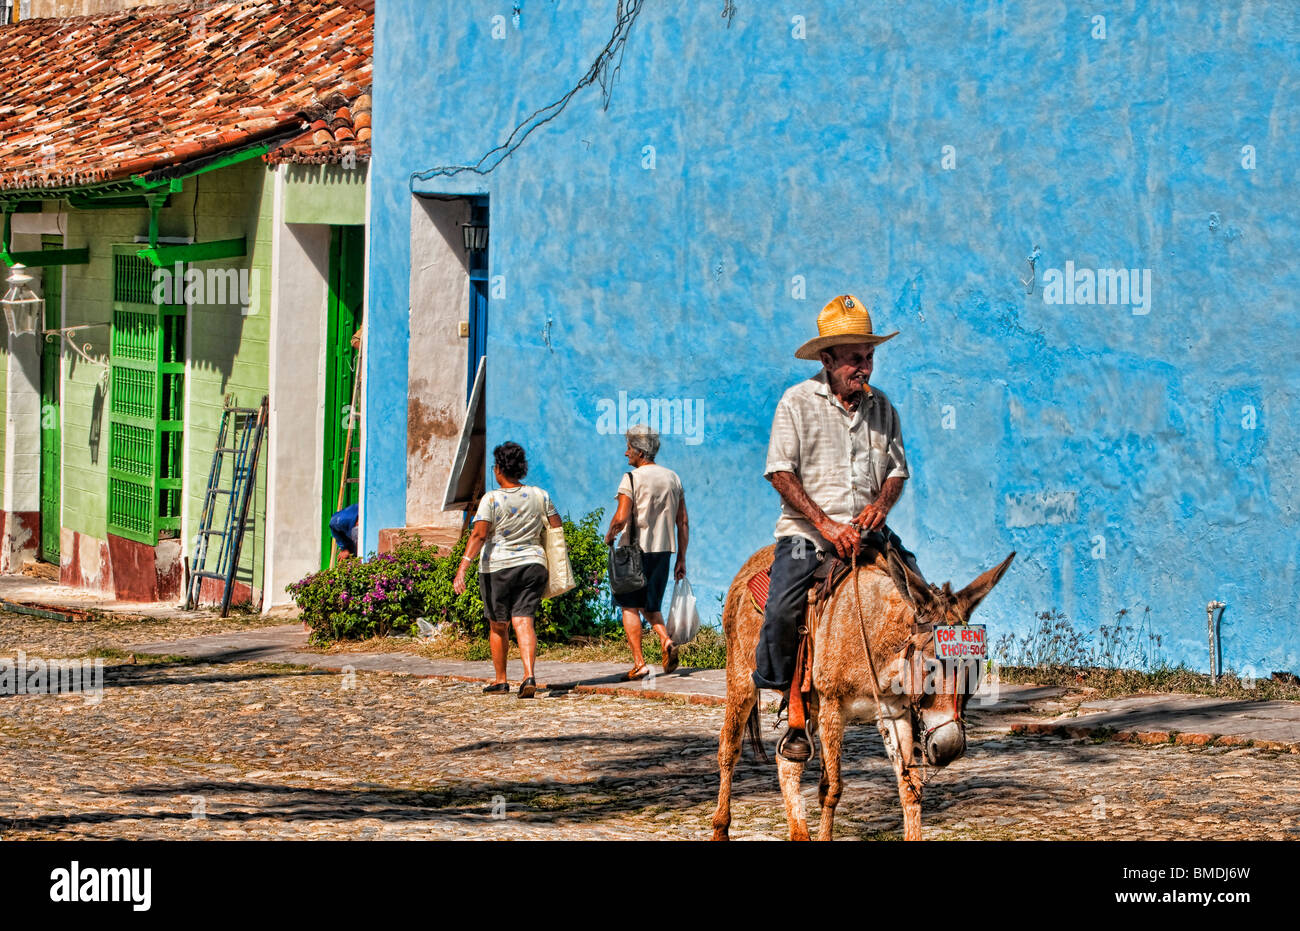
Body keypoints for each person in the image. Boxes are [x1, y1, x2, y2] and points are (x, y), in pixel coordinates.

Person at [755, 294, 925, 762]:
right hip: (807, 533)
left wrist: (881, 507)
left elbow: (896, 472)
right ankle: (793, 709)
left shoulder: (882, 407)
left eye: (869, 357)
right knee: (783, 610)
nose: (865, 368)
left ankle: (929, 705)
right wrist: (826, 525)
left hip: (871, 534)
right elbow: (780, 473)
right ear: (827, 360)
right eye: (855, 359)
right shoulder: (796, 402)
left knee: (925, 600)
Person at [453, 441, 562, 699]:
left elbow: (479, 535)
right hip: (533, 565)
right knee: (524, 621)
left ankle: (501, 680)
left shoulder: (490, 499)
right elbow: (556, 526)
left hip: (497, 568)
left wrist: (463, 567)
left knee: (498, 625)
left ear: (499, 469)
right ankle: (528, 675)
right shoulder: (540, 495)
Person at [603, 425, 689, 680]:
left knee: (629, 606)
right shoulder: (673, 478)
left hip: (635, 551)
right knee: (650, 604)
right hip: (664, 551)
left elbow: (621, 516)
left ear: (640, 451)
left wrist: (611, 534)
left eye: (629, 448)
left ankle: (639, 663)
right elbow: (682, 521)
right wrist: (682, 557)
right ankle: (666, 641)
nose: (625, 453)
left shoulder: (631, 478)